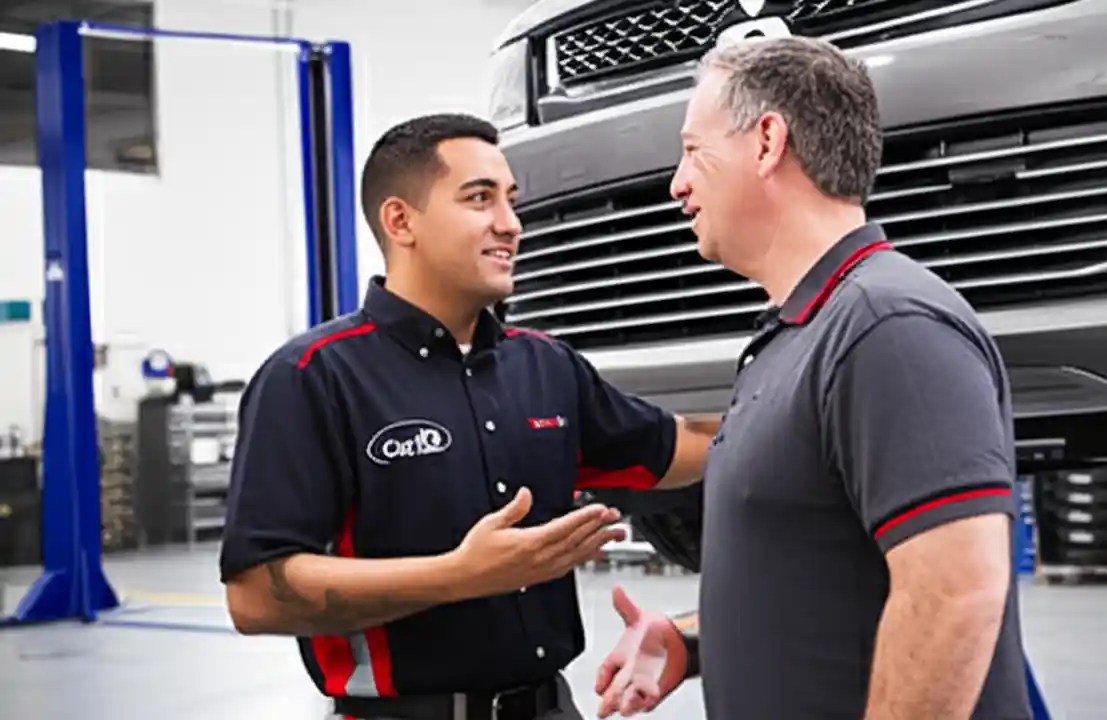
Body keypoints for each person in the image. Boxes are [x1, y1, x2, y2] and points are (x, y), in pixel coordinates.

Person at [218, 113, 719, 720]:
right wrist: (458, 575)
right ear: (400, 220)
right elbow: (255, 598)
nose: (509, 225)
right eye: (479, 199)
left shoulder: (547, 366)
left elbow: (683, 449)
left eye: (512, 201)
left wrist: (796, 397)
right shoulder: (313, 377)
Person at [594, 37, 1034, 720]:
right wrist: (687, 639)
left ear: (767, 141)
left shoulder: (888, 328)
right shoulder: (804, 333)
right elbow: (829, 574)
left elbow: (956, 594)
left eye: (692, 149)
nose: (678, 183)